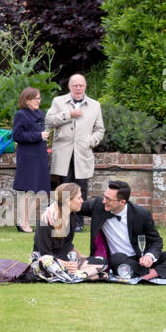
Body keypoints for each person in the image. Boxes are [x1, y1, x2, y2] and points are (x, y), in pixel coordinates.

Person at [75, 179, 166, 280]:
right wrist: (57, 209)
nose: (104, 201)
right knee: (116, 258)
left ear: (122, 202)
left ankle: (152, 273)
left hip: (141, 260)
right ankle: (159, 273)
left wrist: (149, 256)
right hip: (119, 261)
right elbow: (73, 204)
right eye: (104, 197)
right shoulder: (98, 206)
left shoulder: (141, 214)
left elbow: (156, 241)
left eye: (108, 199)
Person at [45, 73, 104, 227]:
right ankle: (64, 220)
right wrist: (68, 114)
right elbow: (49, 120)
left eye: (81, 85)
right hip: (63, 153)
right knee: (64, 189)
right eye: (75, 85)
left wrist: (90, 142)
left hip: (83, 154)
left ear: (85, 86)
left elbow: (99, 129)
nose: (78, 88)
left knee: (81, 190)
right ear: (69, 87)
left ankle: (78, 222)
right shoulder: (58, 101)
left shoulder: (94, 105)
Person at [32, 183, 106, 279]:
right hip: (48, 261)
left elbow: (68, 245)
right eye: (79, 198)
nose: (82, 201)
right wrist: (64, 264)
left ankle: (75, 275)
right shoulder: (46, 219)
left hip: (65, 260)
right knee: (47, 262)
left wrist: (83, 258)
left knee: (101, 260)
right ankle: (81, 275)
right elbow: (45, 252)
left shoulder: (71, 215)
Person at [11, 86, 49, 233]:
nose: (39, 101)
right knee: (28, 191)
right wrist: (38, 136)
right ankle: (23, 223)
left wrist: (43, 136)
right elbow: (17, 136)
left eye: (39, 98)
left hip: (40, 156)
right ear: (27, 100)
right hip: (27, 157)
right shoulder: (21, 115)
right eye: (36, 99)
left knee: (41, 191)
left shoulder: (40, 113)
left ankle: (24, 220)